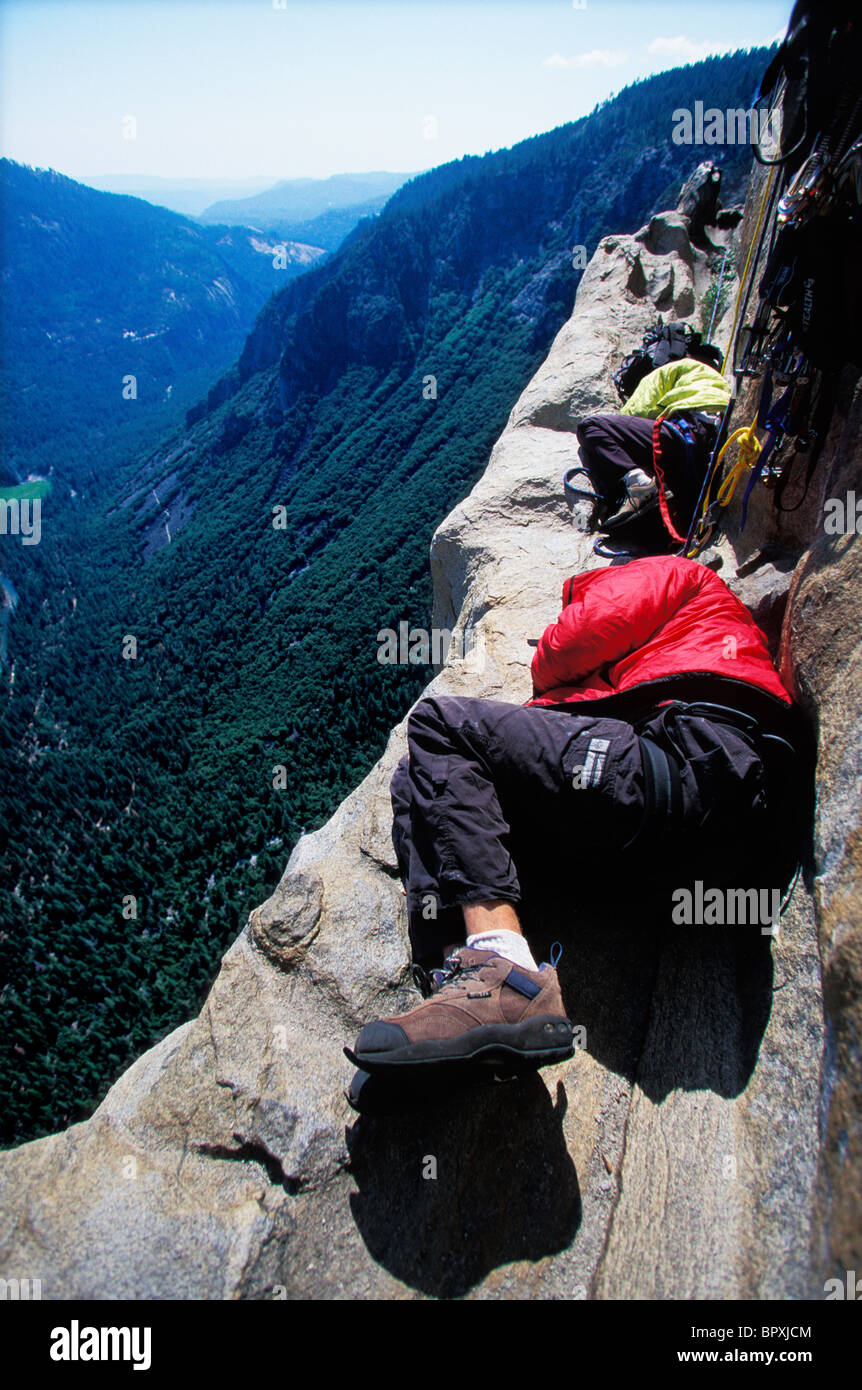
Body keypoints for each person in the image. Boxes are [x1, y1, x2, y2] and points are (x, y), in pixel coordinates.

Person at [345, 554, 811, 1077]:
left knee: (439, 725)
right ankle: (456, 989)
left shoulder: (681, 574)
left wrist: (559, 629)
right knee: (418, 780)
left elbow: (565, 649)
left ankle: (503, 970)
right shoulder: (680, 635)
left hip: (690, 769)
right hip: (670, 859)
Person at [576, 356, 731, 534]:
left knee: (590, 427)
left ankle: (639, 486)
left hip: (685, 434)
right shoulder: (705, 376)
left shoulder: (657, 376)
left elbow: (637, 412)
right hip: (704, 443)